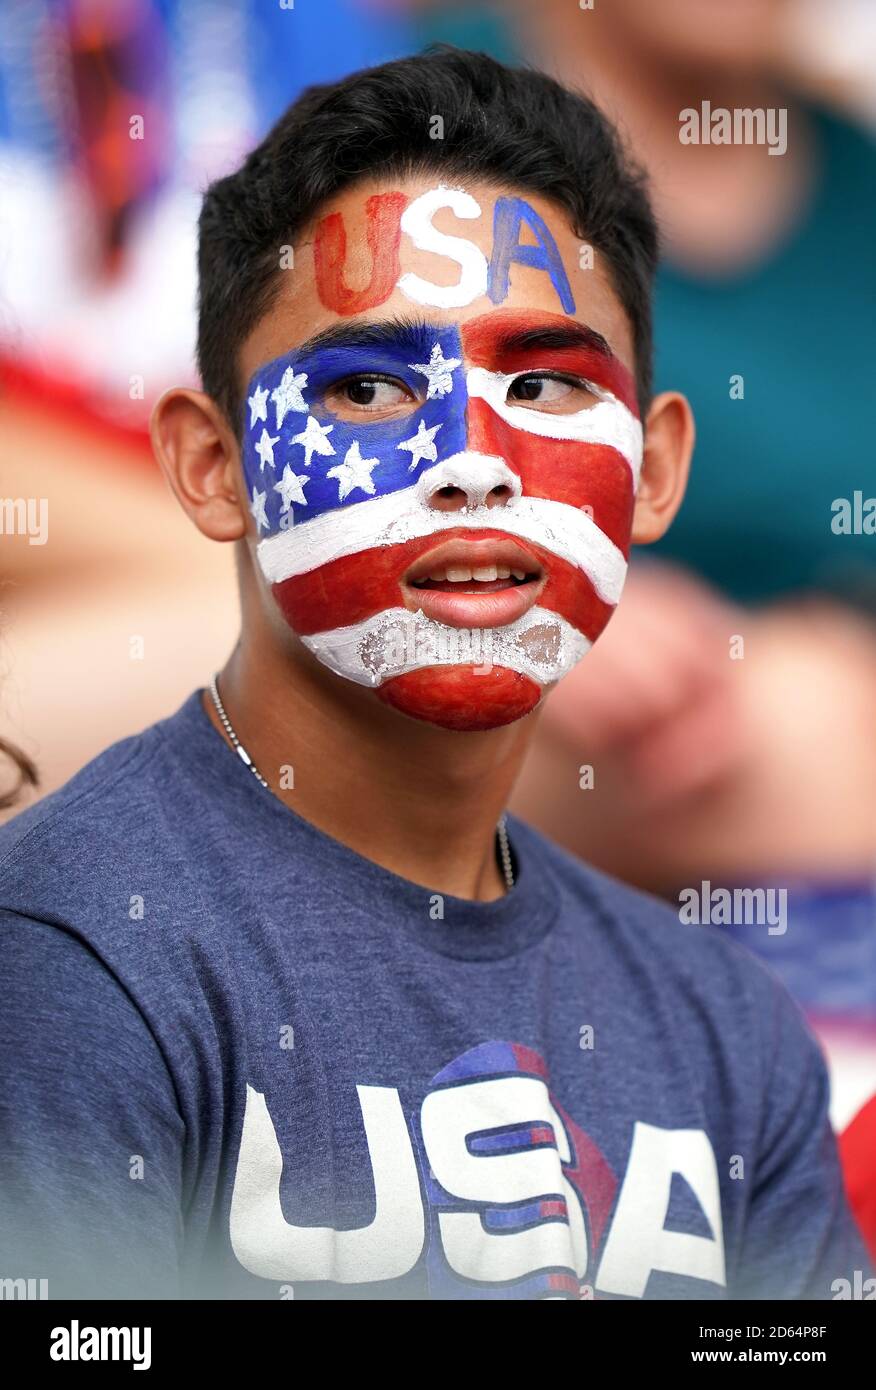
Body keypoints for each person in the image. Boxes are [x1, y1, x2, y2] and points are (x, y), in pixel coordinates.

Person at [0, 48, 868, 1301]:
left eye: (546, 383)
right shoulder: (69, 956)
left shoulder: (732, 1038)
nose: (470, 462)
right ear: (212, 467)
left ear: (658, 468)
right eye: (364, 386)